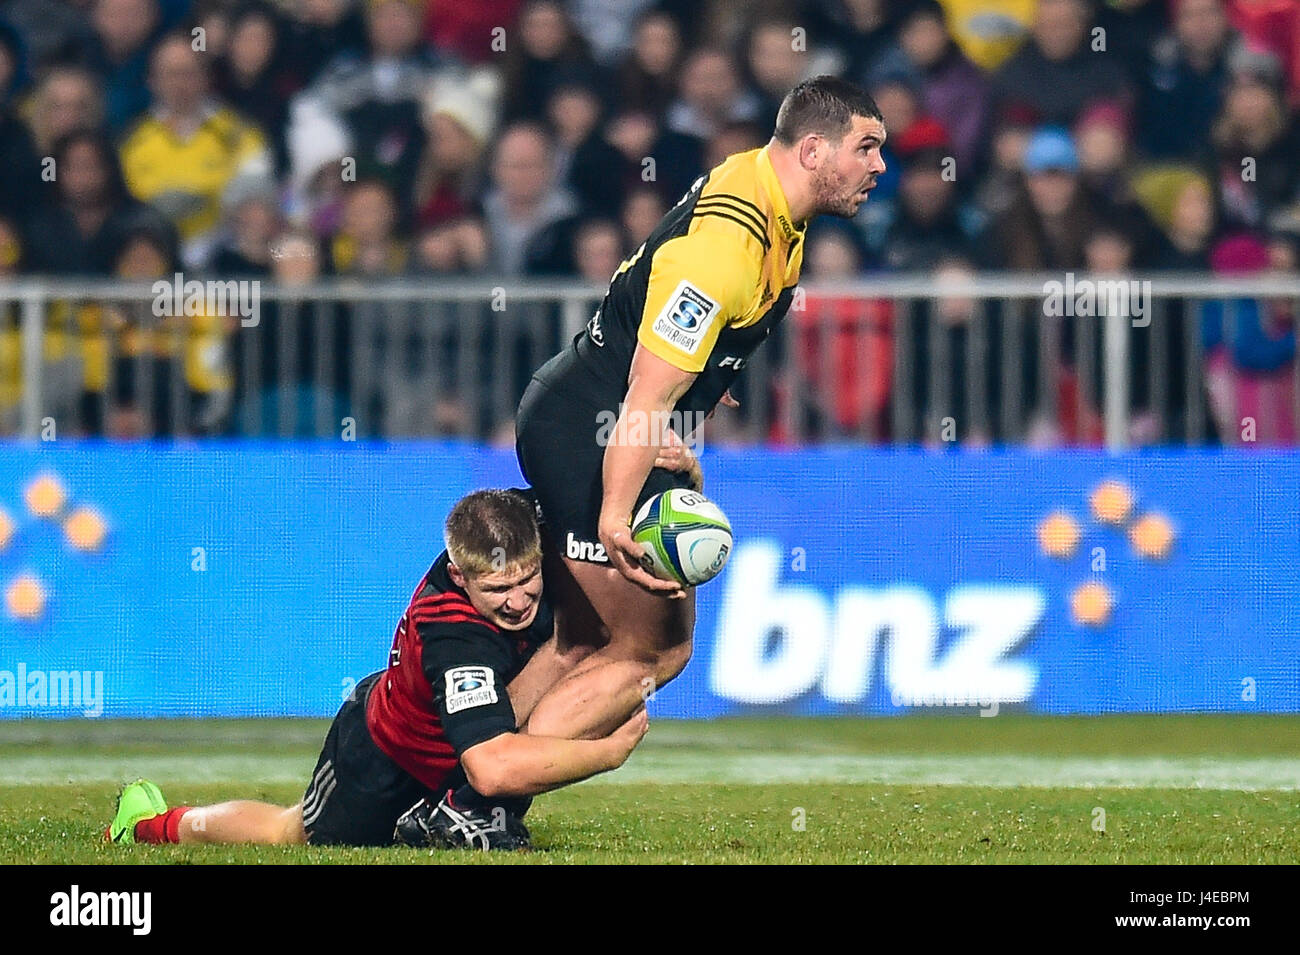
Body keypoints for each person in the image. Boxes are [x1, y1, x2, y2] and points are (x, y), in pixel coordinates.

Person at [511, 76, 886, 744]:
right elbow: (645, 395)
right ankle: (478, 791)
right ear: (811, 152)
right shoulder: (727, 248)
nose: (878, 166)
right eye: (865, 148)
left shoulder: (773, 200)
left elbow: (681, 329)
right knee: (648, 647)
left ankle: (464, 787)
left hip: (601, 419)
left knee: (586, 640)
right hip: (590, 427)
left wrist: (708, 377)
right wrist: (614, 515)